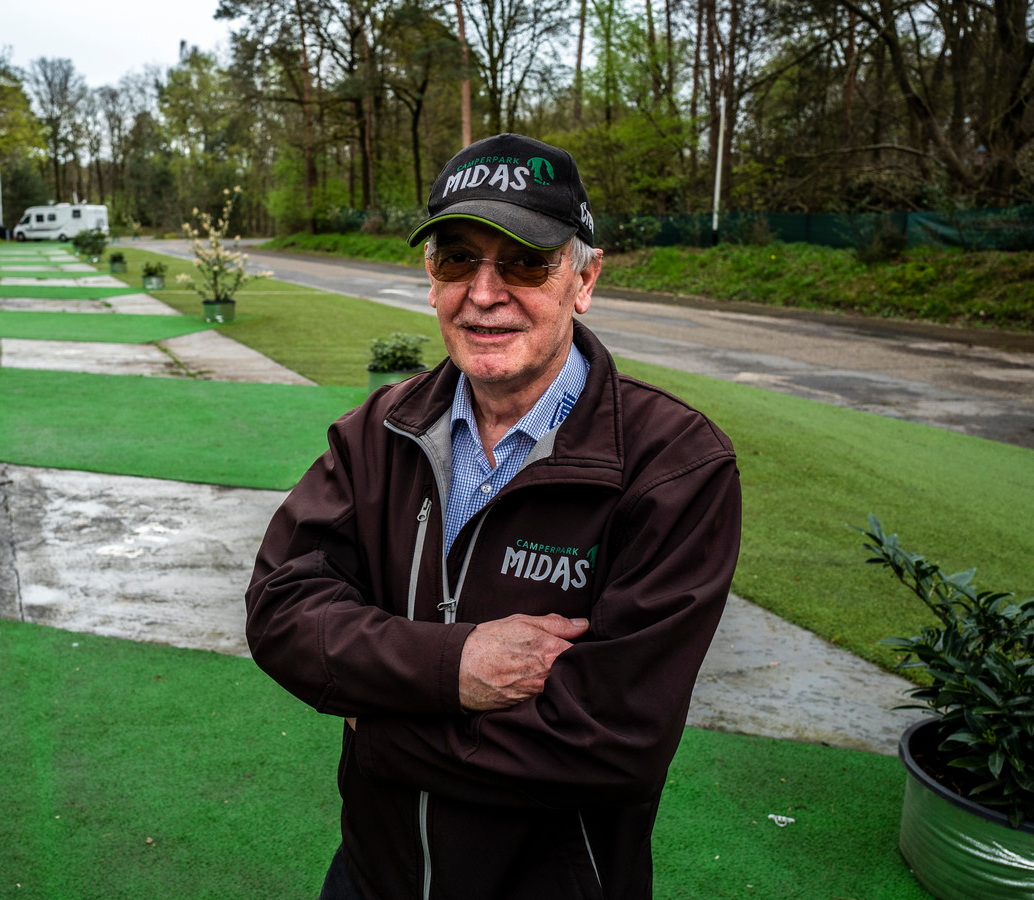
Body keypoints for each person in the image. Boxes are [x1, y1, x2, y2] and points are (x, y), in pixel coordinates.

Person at [244, 133, 742, 900]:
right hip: (372, 879)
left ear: (585, 278)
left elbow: (613, 744)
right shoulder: (377, 429)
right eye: (456, 259)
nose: (484, 293)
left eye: (524, 261)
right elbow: (282, 614)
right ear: (428, 274)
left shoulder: (674, 465)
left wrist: (373, 722)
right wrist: (455, 667)